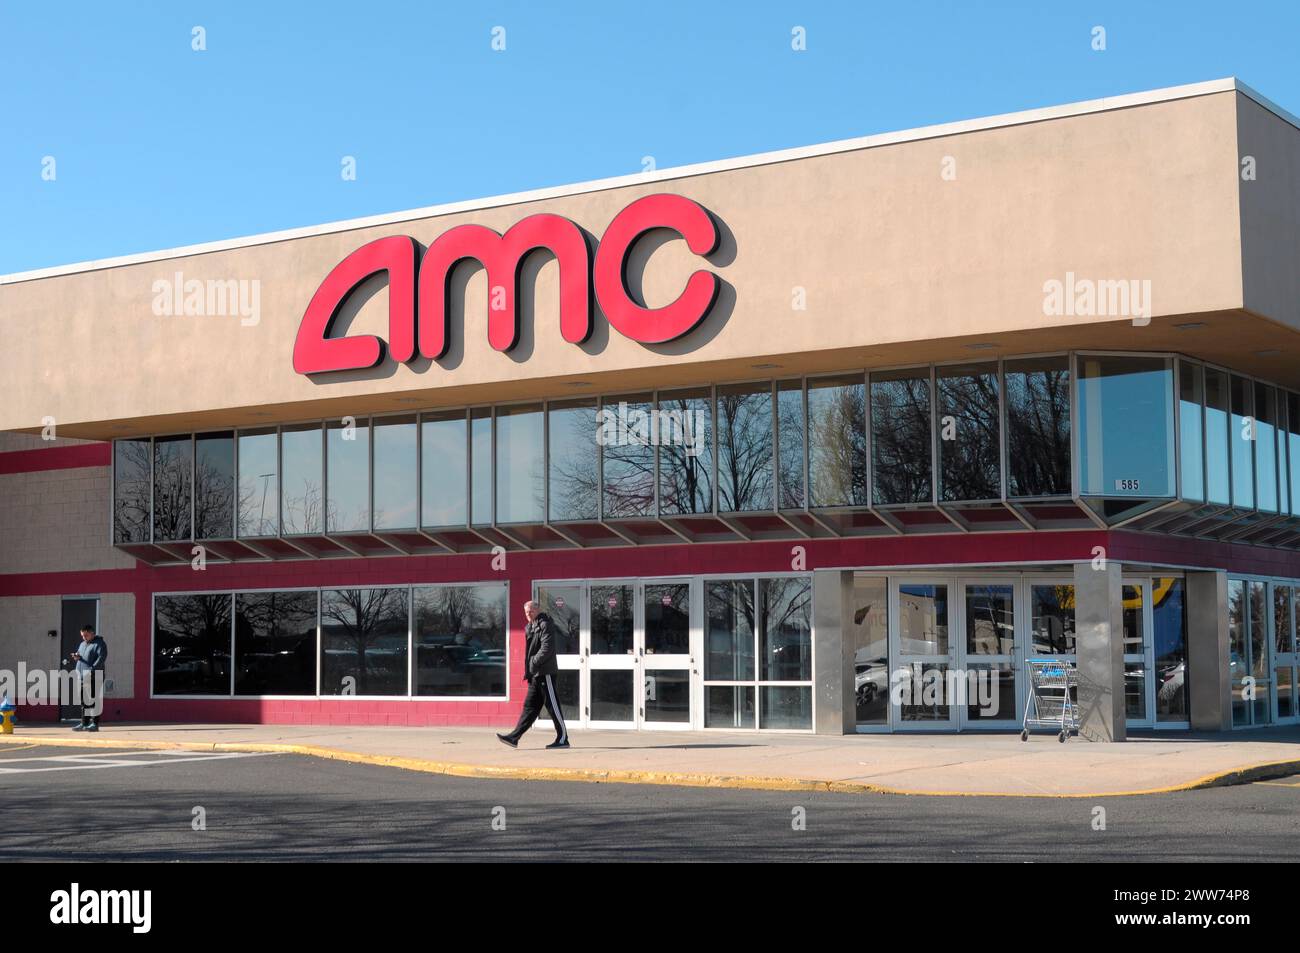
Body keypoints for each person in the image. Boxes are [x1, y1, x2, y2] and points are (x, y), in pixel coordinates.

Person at [497, 600, 569, 749]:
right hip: (535, 674)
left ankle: (563, 738)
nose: (528, 614)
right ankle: (514, 737)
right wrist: (531, 668)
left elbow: (546, 648)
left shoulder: (545, 624)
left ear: (537, 610)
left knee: (552, 705)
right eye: (526, 612)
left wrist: (533, 663)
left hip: (545, 672)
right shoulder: (530, 626)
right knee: (530, 707)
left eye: (531, 611)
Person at [68, 625, 107, 732]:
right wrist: (77, 657)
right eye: (82, 635)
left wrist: (92, 670)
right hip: (82, 676)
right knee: (84, 701)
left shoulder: (100, 644)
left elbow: (101, 658)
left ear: (92, 633)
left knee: (94, 700)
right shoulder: (82, 644)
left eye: (86, 635)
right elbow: (82, 657)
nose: (84, 637)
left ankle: (94, 724)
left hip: (95, 675)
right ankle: (84, 723)